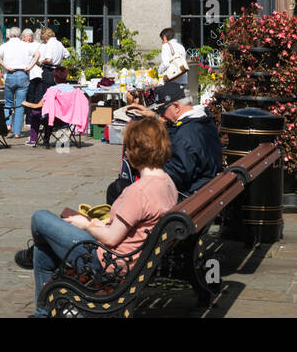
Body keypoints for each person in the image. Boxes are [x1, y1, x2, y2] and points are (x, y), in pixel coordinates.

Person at [16, 116, 177, 317]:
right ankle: (42, 307)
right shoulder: (168, 182)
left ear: (135, 150)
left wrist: (85, 224)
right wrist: (97, 222)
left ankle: (41, 301)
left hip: (108, 262)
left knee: (40, 218)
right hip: (132, 259)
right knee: (45, 243)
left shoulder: (139, 191)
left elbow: (111, 238)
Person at [105, 83, 222, 203]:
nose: (162, 114)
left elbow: (170, 177)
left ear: (176, 106)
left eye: (162, 109)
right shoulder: (203, 121)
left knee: (117, 189)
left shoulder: (185, 137)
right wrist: (155, 117)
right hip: (202, 190)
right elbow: (178, 130)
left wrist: (142, 160)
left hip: (185, 199)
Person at [0, 26, 38, 139]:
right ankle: (17, 132)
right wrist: (30, 67)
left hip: (10, 74)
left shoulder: (5, 45)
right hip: (23, 74)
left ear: (9, 35)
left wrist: (5, 66)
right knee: (20, 105)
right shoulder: (26, 45)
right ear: (20, 36)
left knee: (8, 102)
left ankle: (8, 124)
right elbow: (37, 54)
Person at [157, 27, 189, 91]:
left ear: (165, 37)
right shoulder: (181, 46)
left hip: (171, 79)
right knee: (179, 100)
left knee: (169, 100)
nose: (162, 42)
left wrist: (159, 71)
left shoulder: (166, 46)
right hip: (182, 79)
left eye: (162, 39)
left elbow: (166, 64)